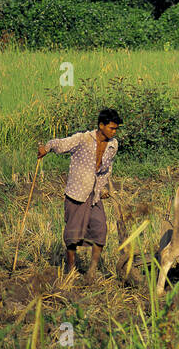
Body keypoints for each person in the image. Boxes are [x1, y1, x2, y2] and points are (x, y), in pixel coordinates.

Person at [39, 108, 122, 280]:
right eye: (112, 128)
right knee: (73, 233)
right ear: (101, 125)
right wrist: (46, 148)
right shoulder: (83, 139)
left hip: (95, 194)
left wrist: (103, 187)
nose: (114, 132)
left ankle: (92, 270)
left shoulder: (113, 145)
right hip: (77, 192)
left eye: (116, 129)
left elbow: (107, 170)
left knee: (100, 229)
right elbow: (60, 144)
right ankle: (71, 269)